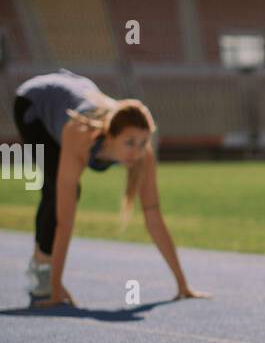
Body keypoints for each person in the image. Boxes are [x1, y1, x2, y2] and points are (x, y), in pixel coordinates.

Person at [13, 68, 207, 307]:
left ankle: (44, 266)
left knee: (62, 190)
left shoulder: (142, 153)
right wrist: (55, 289)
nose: (137, 152)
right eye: (129, 143)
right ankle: (41, 269)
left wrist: (182, 284)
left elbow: (153, 214)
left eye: (143, 143)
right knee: (56, 191)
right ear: (109, 137)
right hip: (34, 102)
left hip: (77, 89)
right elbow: (65, 222)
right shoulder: (79, 135)